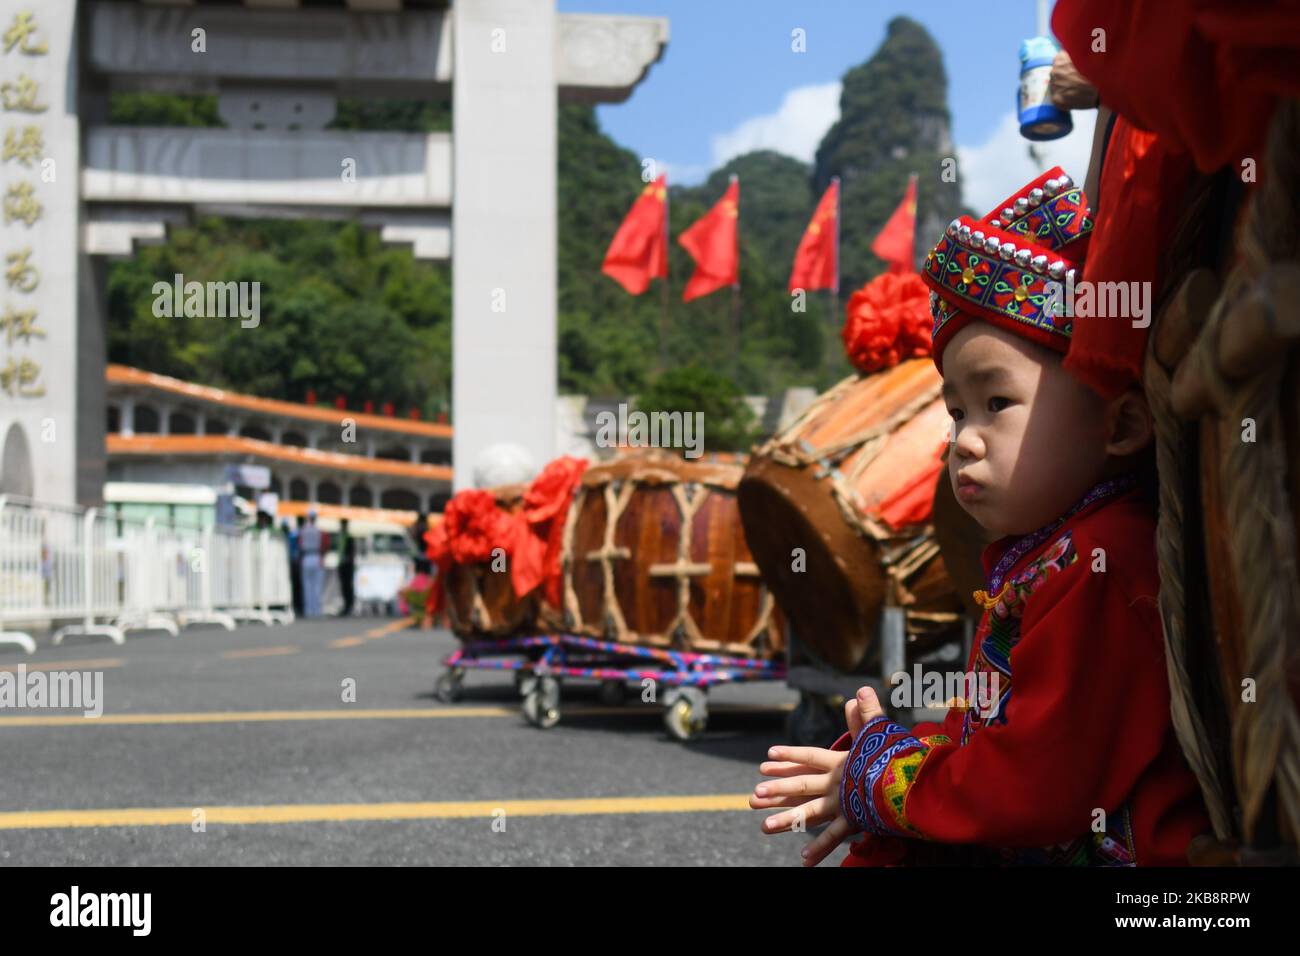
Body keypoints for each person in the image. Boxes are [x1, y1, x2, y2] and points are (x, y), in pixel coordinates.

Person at [752, 168, 1211, 866]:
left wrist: (880, 778)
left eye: (996, 404)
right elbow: (1002, 750)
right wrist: (887, 766)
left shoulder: (1100, 561)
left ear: (1121, 424)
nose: (963, 438)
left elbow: (1034, 788)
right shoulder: (1056, 553)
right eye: (956, 411)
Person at [299, 508, 324, 618]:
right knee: (316, 586)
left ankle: (308, 610)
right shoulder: (318, 530)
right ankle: (316, 610)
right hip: (316, 557)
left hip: (307, 557)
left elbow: (300, 545)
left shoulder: (303, 530)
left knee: (307, 586)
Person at [335, 517, 356, 617]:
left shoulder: (349, 537)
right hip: (342, 564)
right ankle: (346, 606)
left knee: (348, 586)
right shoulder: (341, 537)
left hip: (347, 565)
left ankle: (349, 606)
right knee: (344, 586)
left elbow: (351, 553)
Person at [284, 517, 303, 617]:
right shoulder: (292, 535)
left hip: (294, 563)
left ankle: (298, 606)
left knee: (296, 586)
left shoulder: (294, 535)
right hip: (292, 562)